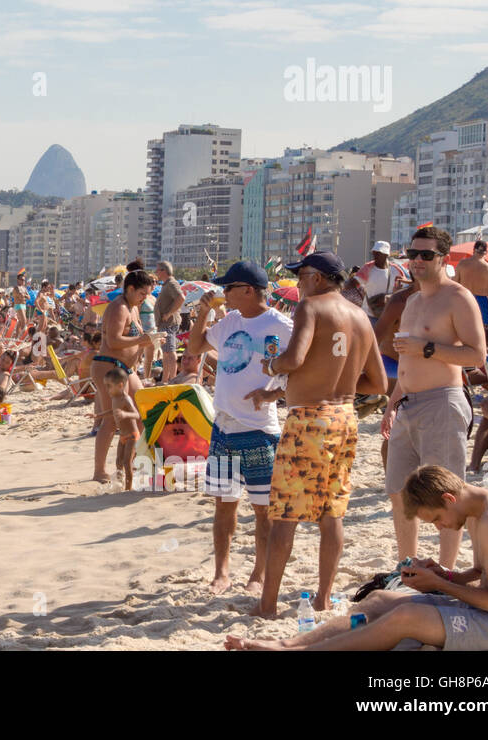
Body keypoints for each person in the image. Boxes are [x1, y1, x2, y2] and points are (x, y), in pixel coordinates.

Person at [227, 465, 488, 651]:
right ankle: (289, 644)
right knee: (379, 599)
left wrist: (440, 585)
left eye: (435, 519)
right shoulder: (476, 508)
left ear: (448, 498)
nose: (439, 527)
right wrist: (445, 575)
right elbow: (486, 573)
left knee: (405, 618)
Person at [254, 251, 386, 618]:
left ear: (320, 277)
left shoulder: (310, 308)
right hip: (344, 417)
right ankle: (324, 598)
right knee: (333, 512)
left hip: (309, 420)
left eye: (302, 274)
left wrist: (273, 363)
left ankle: (267, 605)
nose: (298, 282)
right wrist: (336, 381)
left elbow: (294, 359)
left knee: (284, 515)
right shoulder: (360, 316)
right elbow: (379, 382)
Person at [188, 260, 294, 597]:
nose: (224, 293)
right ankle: (222, 572)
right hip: (223, 427)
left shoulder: (282, 325)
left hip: (259, 429)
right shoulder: (231, 320)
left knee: (263, 509)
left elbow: (305, 370)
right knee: (224, 504)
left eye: (229, 288)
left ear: (248, 290)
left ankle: (259, 573)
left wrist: (274, 393)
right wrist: (203, 313)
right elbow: (194, 348)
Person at [386, 226, 486, 568]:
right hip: (408, 404)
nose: (417, 261)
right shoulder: (413, 301)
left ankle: (445, 570)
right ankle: (407, 566)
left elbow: (477, 355)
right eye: (413, 253)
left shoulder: (458, 297)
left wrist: (427, 348)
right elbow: (406, 359)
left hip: (442, 402)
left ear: (443, 258)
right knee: (399, 491)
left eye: (426, 255)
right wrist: (391, 402)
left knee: (447, 494)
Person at [91, 270, 155, 483]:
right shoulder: (119, 307)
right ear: (130, 289)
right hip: (109, 367)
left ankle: (125, 463)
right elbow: (113, 341)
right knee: (111, 419)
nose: (144, 297)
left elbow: (133, 339)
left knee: (144, 413)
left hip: (125, 369)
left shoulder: (133, 307)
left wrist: (149, 341)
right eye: (142, 293)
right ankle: (99, 470)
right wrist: (142, 341)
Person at [100, 366, 141, 489]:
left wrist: (125, 414)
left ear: (120, 385)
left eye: (109, 386)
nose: (107, 389)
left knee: (127, 462)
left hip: (132, 435)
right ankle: (119, 484)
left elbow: (137, 414)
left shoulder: (125, 399)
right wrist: (98, 415)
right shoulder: (115, 398)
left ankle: (128, 488)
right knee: (118, 462)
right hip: (122, 435)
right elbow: (113, 411)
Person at [348, 240, 407, 321]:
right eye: (374, 252)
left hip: (388, 316)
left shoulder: (396, 270)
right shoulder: (367, 268)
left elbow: (403, 291)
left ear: (386, 254)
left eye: (378, 253)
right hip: (368, 316)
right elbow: (353, 284)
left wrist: (388, 297)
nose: (375, 255)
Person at [455, 240, 488, 339]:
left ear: (473, 250)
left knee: (462, 330)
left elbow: (454, 285)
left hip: (464, 299)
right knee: (482, 333)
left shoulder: (462, 264)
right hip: (481, 301)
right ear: (486, 252)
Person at [154, 262, 184, 382]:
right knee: (166, 352)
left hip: (169, 323)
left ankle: (172, 379)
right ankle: (166, 379)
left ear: (163, 271)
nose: (156, 273)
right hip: (165, 323)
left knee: (170, 352)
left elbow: (181, 298)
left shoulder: (171, 283)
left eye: (157, 271)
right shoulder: (167, 284)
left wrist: (169, 313)